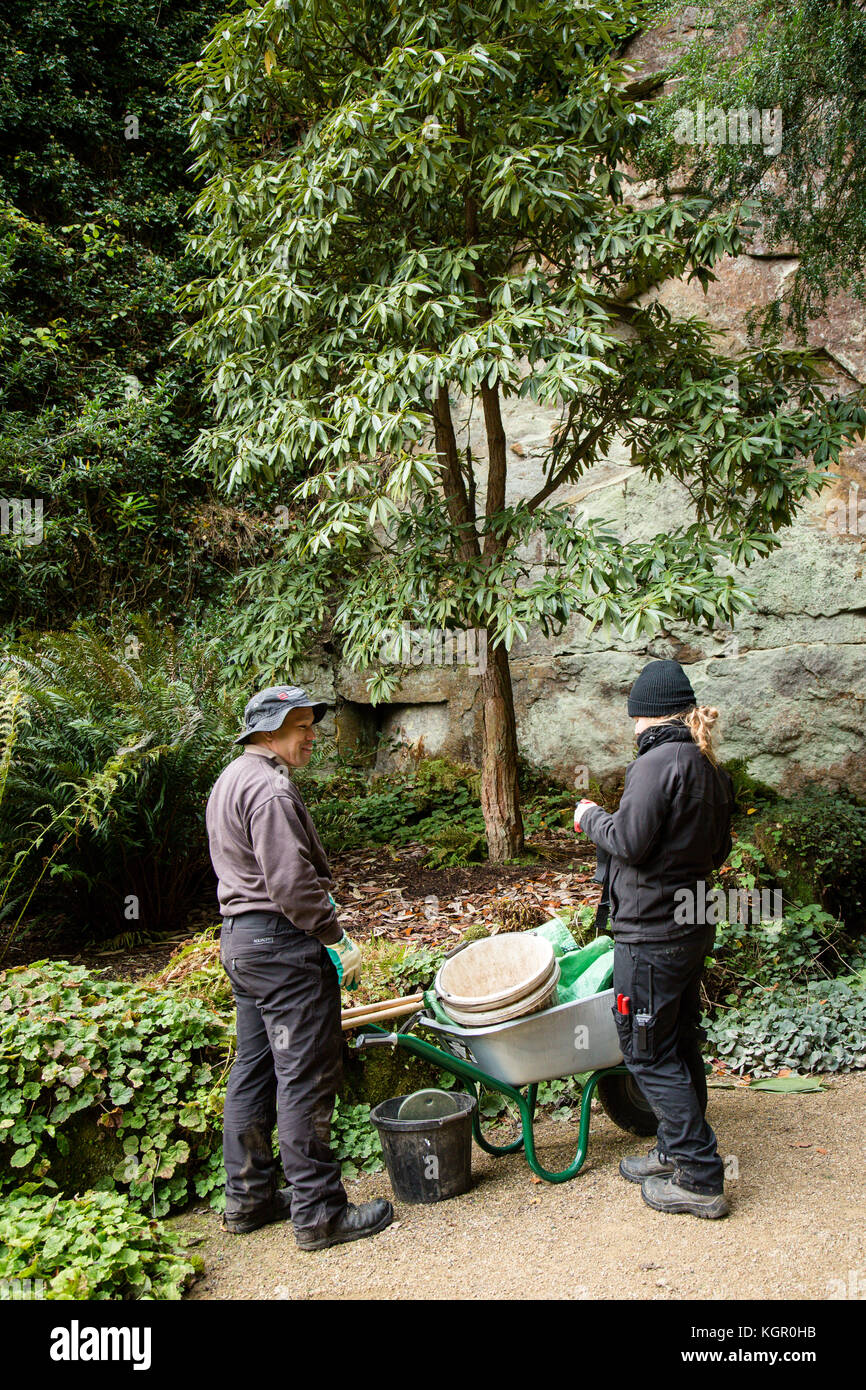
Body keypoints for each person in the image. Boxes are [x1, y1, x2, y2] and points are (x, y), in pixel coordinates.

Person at [205, 684, 393, 1249]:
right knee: (305, 1077)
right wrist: (335, 938)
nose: (313, 735)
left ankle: (250, 1198)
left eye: (312, 723)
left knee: (254, 1072)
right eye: (301, 726)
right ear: (268, 732)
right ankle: (319, 1215)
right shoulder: (269, 791)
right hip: (283, 951)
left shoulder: (231, 778)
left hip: (243, 945)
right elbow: (289, 885)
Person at [574, 659, 734, 1219]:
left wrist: (589, 816)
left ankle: (699, 1174)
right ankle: (673, 1149)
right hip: (691, 927)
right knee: (679, 1039)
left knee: (646, 1049)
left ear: (642, 717)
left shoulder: (655, 764)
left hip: (650, 934)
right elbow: (716, 854)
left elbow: (631, 840)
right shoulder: (710, 766)